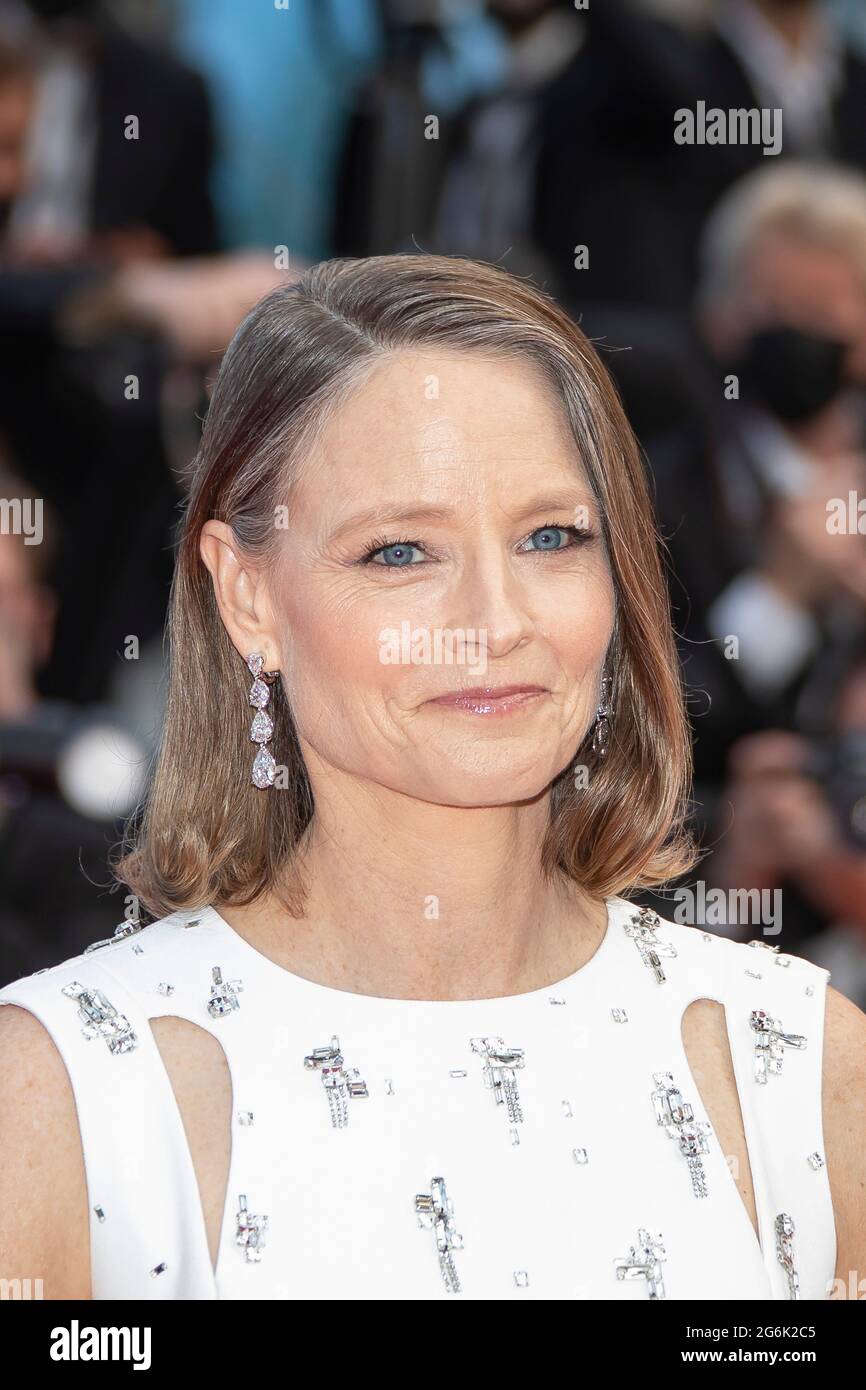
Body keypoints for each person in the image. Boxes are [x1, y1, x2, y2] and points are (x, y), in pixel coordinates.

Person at [0, 255, 863, 1300]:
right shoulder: (62, 1094)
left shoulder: (797, 1066)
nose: (495, 624)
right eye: (400, 552)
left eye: (551, 537)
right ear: (247, 595)